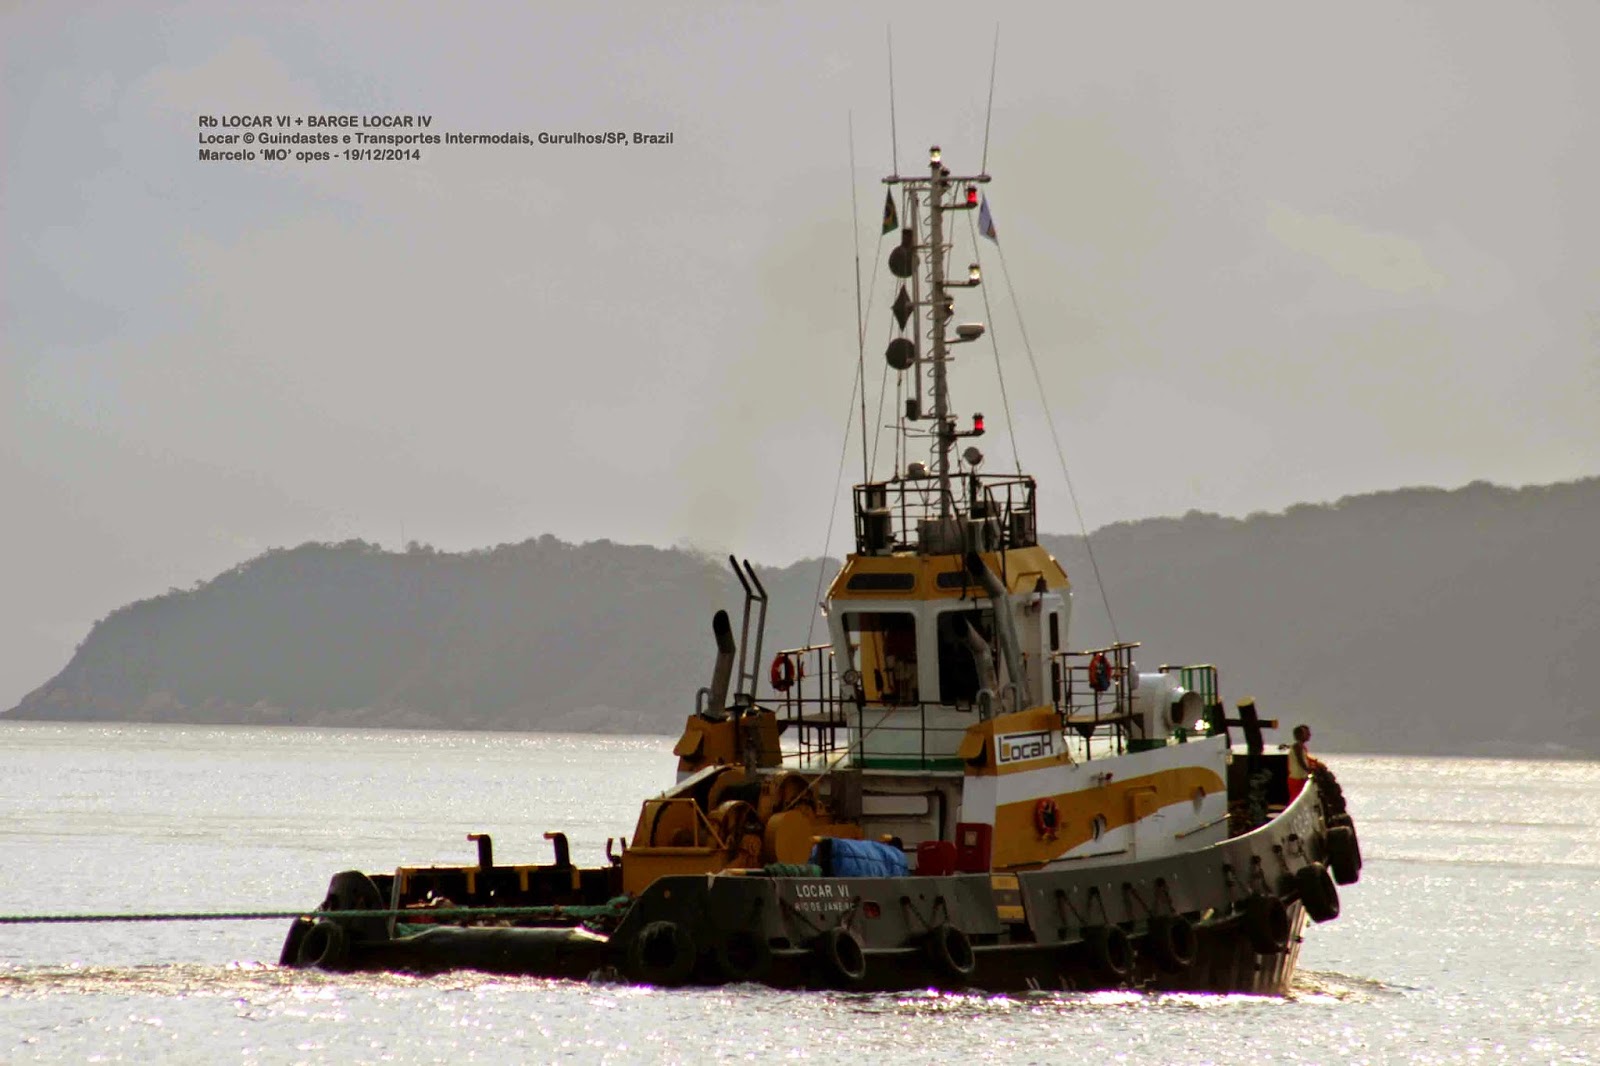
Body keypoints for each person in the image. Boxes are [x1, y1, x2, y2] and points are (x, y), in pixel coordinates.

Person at [1286, 724, 1322, 801]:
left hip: (1300, 779)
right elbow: (1300, 761)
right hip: (1296, 779)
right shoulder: (1297, 746)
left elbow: (1305, 760)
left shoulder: (1301, 747)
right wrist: (1308, 769)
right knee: (1295, 801)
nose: (1309, 735)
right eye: (1306, 733)